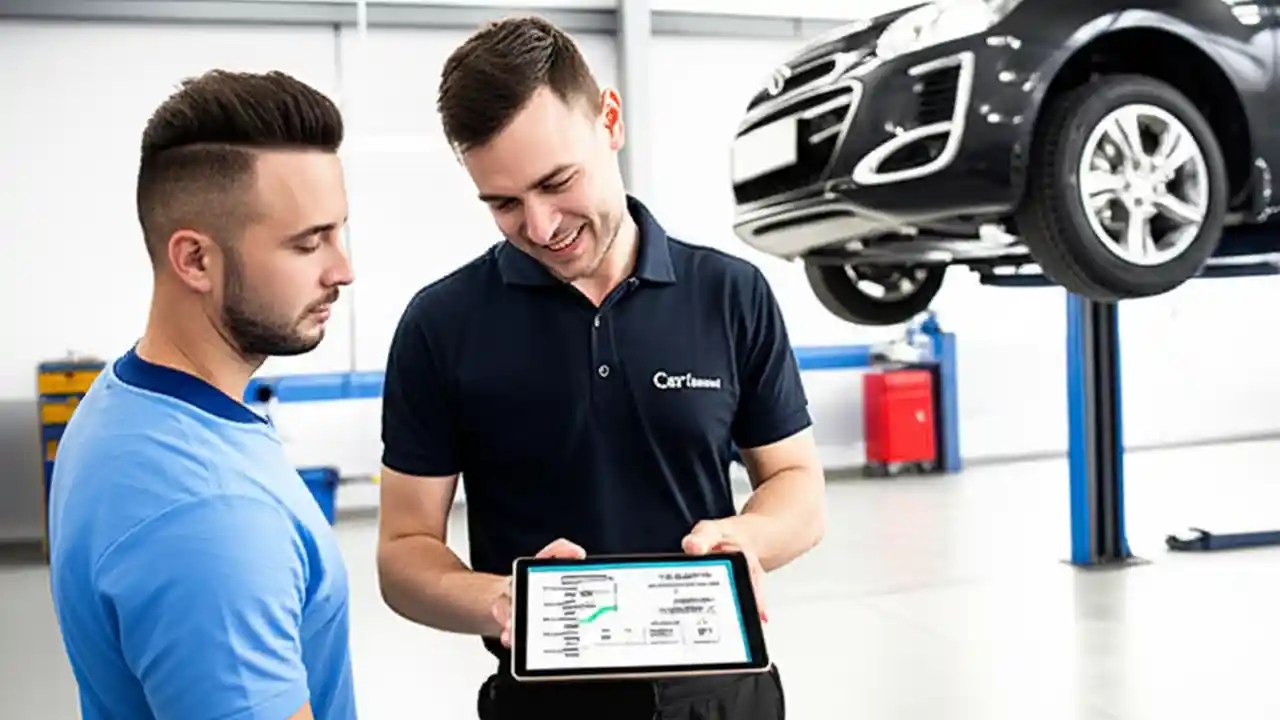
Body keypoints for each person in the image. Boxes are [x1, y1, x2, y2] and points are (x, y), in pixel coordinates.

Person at [376, 15, 826, 720]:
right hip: (544, 705)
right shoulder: (441, 324)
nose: (540, 227)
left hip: (720, 696)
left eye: (557, 182)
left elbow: (797, 485)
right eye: (504, 203)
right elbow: (404, 551)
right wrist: (502, 599)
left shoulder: (730, 295)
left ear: (609, 121)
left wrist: (747, 538)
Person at [46, 69, 358, 720]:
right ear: (195, 260)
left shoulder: (123, 399)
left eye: (338, 232)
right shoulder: (211, 518)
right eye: (309, 243)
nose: (342, 269)